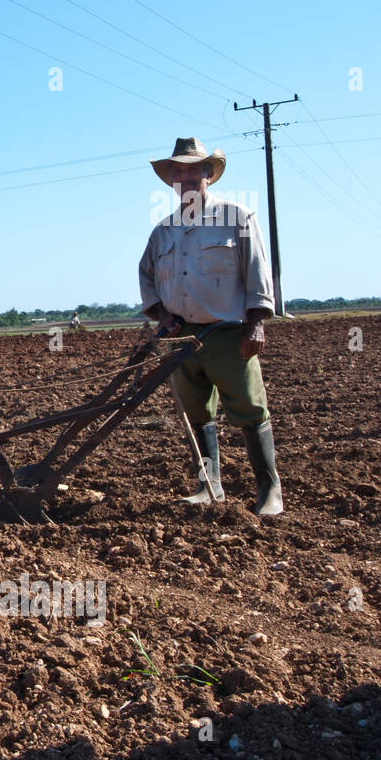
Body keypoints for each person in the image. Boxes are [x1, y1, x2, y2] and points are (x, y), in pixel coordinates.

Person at [138, 137, 283, 515]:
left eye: (192, 170)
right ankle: (208, 486)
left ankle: (269, 492)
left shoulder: (238, 219)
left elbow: (258, 275)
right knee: (195, 413)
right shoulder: (163, 231)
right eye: (178, 171)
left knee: (250, 410)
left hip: (227, 334)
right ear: (172, 179)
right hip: (181, 338)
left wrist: (257, 325)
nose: (185, 177)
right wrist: (162, 315)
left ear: (208, 174)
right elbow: (147, 278)